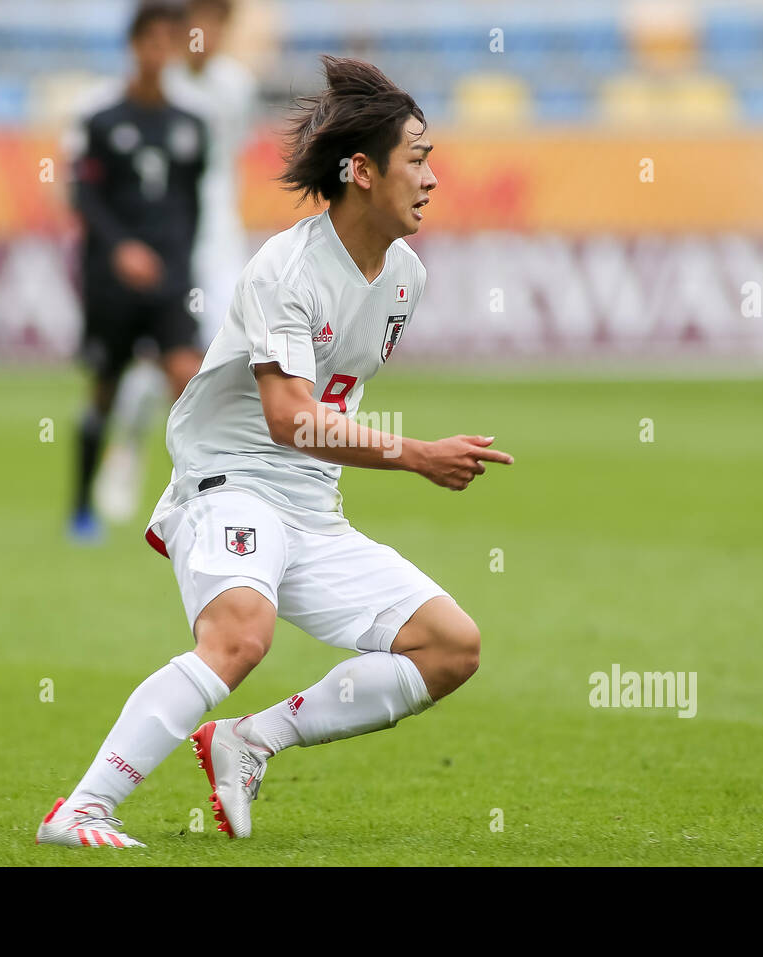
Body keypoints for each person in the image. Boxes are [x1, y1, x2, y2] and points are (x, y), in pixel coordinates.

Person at [36, 56, 513, 849]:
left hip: (311, 509)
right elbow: (291, 420)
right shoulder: (284, 270)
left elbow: (324, 415)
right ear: (361, 171)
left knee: (450, 645)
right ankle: (80, 808)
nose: (433, 179)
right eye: (419, 158)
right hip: (231, 483)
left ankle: (249, 741)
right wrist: (417, 454)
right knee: (239, 636)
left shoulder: (407, 279)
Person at [95, 0, 260, 523]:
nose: (206, 33)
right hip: (168, 238)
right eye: (199, 22)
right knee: (160, 355)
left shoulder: (235, 85)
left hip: (220, 241)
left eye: (218, 23)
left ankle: (208, 472)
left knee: (220, 356)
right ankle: (129, 447)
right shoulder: (162, 87)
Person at [69, 3, 207, 541]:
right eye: (150, 41)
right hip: (113, 281)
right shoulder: (102, 121)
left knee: (187, 380)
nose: (158, 52)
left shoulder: (191, 126)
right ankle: (82, 508)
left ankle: (195, 504)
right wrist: (120, 249)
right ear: (134, 46)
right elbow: (83, 194)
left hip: (170, 280)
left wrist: (183, 265)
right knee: (104, 388)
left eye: (167, 42)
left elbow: (192, 205)